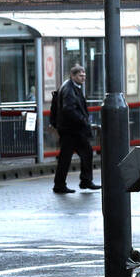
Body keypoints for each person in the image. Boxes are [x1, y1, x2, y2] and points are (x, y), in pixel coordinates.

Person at [53, 63, 99, 194]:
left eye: (84, 75)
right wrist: (83, 120)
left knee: (75, 155)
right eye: (80, 75)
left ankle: (79, 182)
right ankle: (79, 182)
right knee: (77, 154)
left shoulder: (72, 87)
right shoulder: (69, 89)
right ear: (73, 76)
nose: (83, 77)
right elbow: (69, 109)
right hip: (72, 130)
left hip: (71, 129)